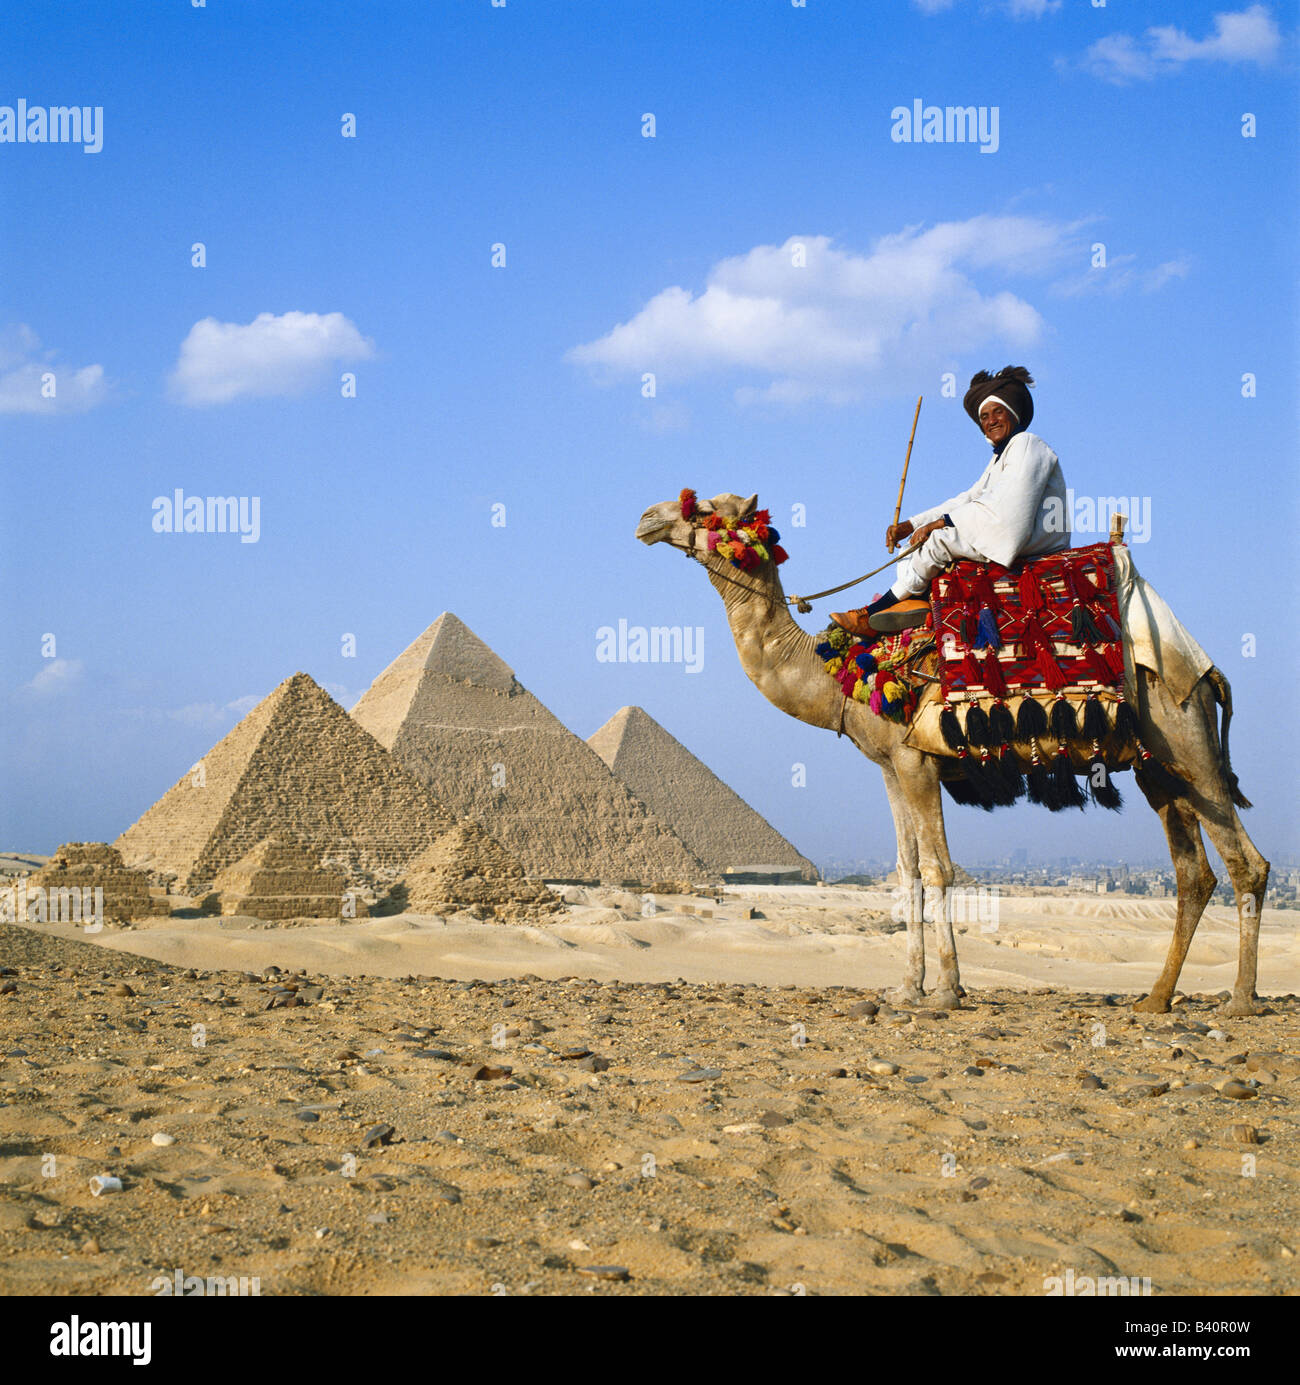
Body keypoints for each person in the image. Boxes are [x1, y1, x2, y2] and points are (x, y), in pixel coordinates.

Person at [832, 365, 1069, 636]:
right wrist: (911, 525)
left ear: (1013, 414)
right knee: (912, 547)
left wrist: (940, 524)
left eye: (997, 412)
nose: (991, 420)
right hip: (1006, 531)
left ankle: (874, 614)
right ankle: (913, 601)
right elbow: (968, 499)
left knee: (939, 540)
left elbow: (1009, 509)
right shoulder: (998, 459)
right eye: (984, 416)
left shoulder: (1027, 444)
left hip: (1033, 539)